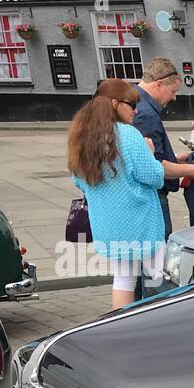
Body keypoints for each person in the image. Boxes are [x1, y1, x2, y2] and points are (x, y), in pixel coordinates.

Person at [66, 79, 168, 310]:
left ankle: (122, 328)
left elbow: (78, 181)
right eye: (131, 104)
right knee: (159, 278)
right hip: (141, 225)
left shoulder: (81, 138)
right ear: (114, 103)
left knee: (123, 280)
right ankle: (163, 330)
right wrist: (150, 152)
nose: (136, 110)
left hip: (109, 227)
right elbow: (154, 177)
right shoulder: (128, 136)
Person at [131, 57, 194, 242]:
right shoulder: (145, 114)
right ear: (159, 84)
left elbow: (143, 156)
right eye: (173, 91)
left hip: (142, 197)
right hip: (151, 198)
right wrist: (192, 170)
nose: (174, 97)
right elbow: (153, 166)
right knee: (158, 258)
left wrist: (176, 158)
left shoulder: (136, 102)